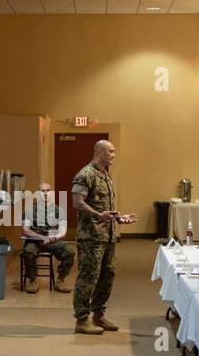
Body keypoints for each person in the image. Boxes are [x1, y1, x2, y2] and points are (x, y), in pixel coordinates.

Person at [70, 140, 135, 335]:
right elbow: (77, 202)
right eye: (111, 151)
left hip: (107, 237)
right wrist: (99, 216)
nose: (114, 155)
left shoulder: (105, 175)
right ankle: (82, 320)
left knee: (107, 275)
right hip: (91, 238)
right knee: (88, 277)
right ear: (99, 151)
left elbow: (105, 208)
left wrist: (119, 218)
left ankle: (99, 314)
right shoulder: (85, 174)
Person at [20, 183, 73, 294]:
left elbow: (63, 230)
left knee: (69, 252)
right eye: (42, 191)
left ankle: (60, 280)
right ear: (37, 193)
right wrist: (42, 237)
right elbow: (25, 230)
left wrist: (52, 238)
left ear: (51, 193)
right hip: (35, 240)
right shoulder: (30, 210)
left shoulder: (59, 210)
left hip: (52, 240)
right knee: (29, 251)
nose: (45, 193)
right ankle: (33, 280)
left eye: (47, 190)